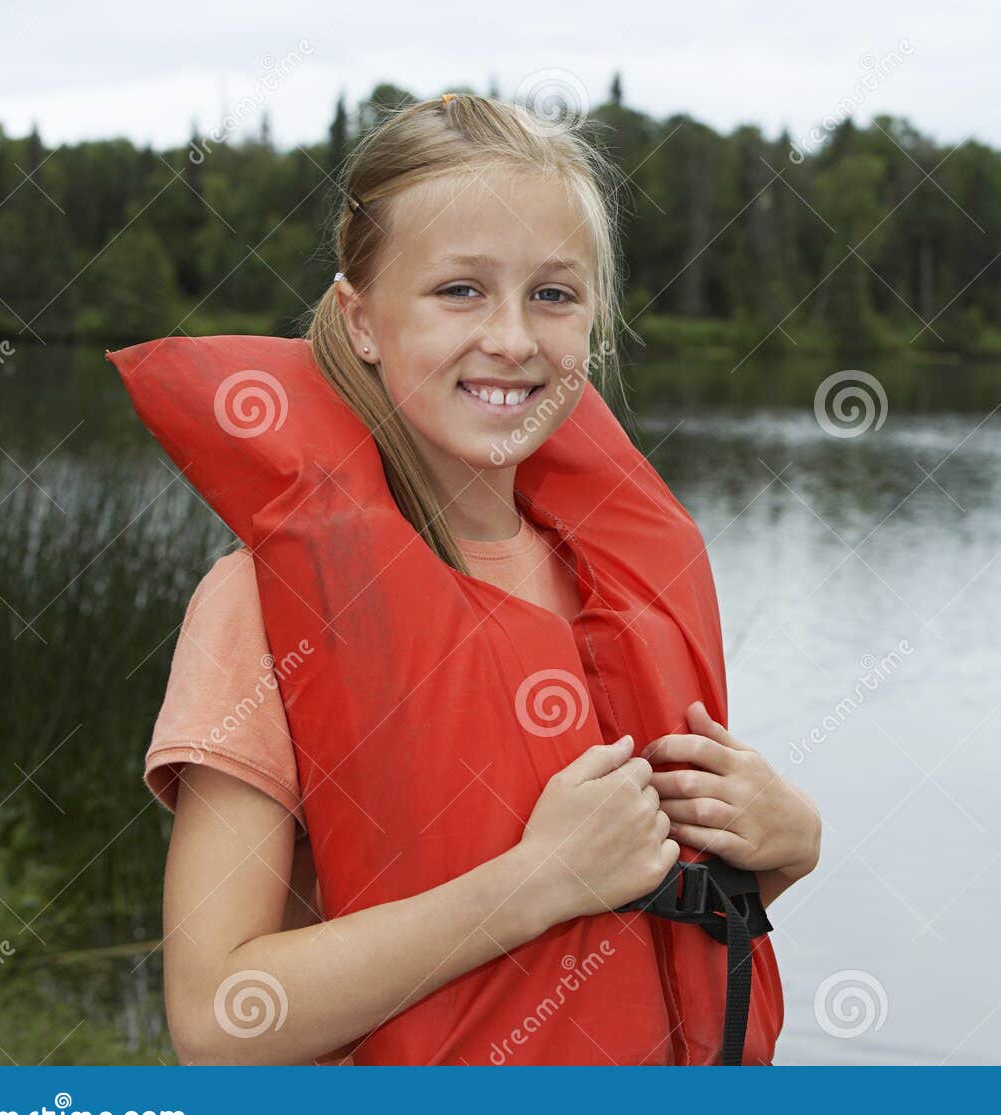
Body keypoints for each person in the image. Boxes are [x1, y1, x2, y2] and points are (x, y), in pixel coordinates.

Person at [141, 92, 821, 1064]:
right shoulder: (262, 604)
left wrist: (782, 848)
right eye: (460, 290)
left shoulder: (616, 588)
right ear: (360, 317)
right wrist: (532, 880)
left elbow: (629, 932)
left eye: (553, 294)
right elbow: (217, 1019)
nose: (511, 338)